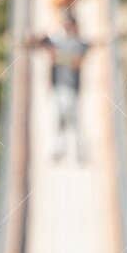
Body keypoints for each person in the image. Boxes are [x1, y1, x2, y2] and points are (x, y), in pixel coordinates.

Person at [29, 14, 90, 163]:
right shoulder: (57, 40)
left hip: (72, 88)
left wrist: (57, 56)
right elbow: (36, 43)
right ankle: (59, 150)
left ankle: (80, 153)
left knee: (74, 121)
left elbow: (77, 62)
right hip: (58, 87)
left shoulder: (79, 43)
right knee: (57, 119)